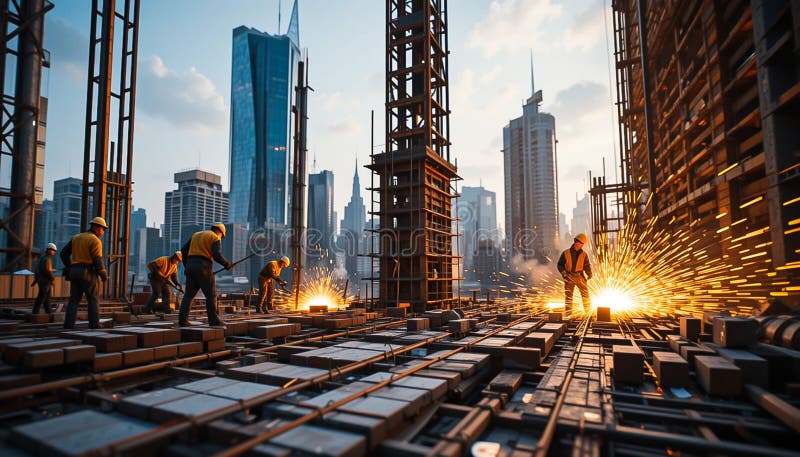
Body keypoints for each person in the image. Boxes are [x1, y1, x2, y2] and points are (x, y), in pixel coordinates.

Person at [178, 223, 232, 327]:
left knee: (188, 296)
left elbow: (183, 250)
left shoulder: (196, 234)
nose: (221, 237)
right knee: (211, 295)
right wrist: (226, 264)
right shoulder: (215, 237)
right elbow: (216, 255)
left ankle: (183, 320)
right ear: (220, 232)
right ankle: (213, 320)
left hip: (190, 266)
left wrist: (187, 265)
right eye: (222, 235)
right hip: (204, 266)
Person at [61, 217, 108, 329]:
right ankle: (94, 324)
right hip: (87, 272)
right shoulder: (95, 240)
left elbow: (63, 254)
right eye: (103, 229)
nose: (103, 232)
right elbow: (97, 260)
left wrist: (69, 267)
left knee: (74, 300)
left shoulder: (76, 237)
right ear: (97, 227)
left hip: (74, 272)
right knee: (92, 299)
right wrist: (103, 275)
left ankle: (68, 325)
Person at [557, 233, 593, 314]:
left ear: (582, 245)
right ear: (575, 241)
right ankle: (569, 314)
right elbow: (560, 265)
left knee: (585, 295)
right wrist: (564, 273)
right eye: (577, 242)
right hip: (569, 276)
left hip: (580, 276)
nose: (578, 244)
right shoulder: (565, 253)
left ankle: (588, 313)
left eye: (580, 244)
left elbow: (587, 265)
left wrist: (589, 273)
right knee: (568, 297)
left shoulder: (584, 254)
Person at [32, 243, 57, 314]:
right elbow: (48, 271)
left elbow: (41, 269)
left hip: (41, 280)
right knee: (41, 297)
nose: (54, 252)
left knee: (47, 298)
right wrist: (52, 278)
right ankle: (35, 313)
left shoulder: (43, 258)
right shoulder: (47, 259)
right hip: (45, 281)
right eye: (53, 250)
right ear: (49, 250)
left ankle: (48, 312)